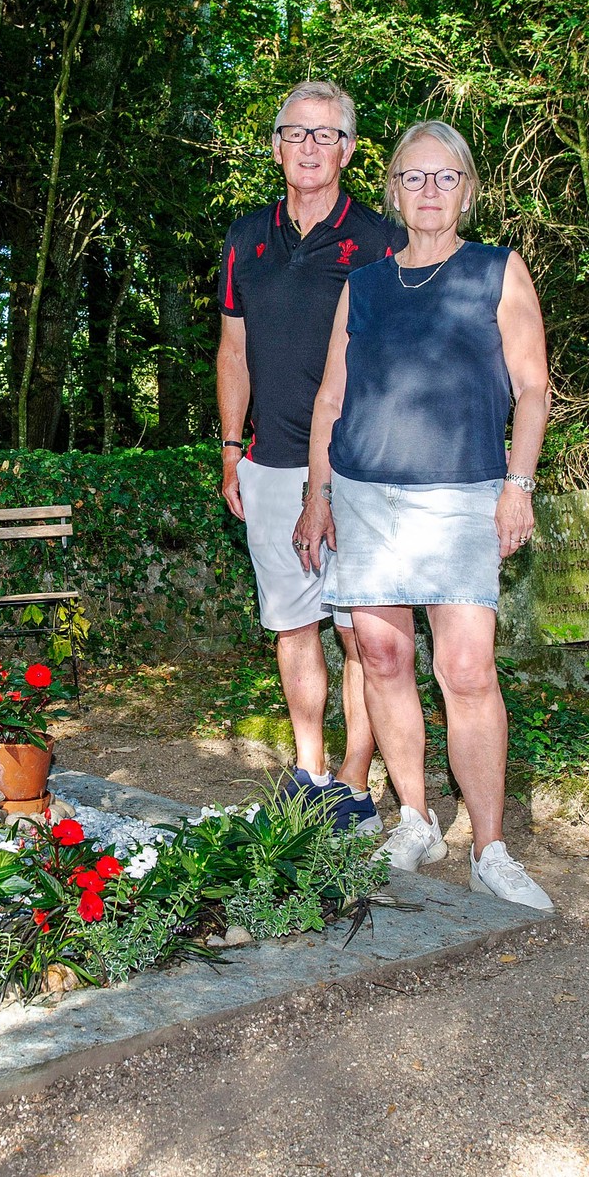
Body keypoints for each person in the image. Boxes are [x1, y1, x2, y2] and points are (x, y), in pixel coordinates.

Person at [291, 119, 554, 909]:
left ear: (466, 190)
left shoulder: (497, 272)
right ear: (394, 191)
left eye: (444, 178)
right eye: (413, 177)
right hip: (365, 496)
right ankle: (414, 817)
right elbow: (331, 397)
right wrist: (317, 493)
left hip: (463, 493)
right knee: (381, 659)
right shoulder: (362, 285)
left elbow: (534, 389)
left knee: (467, 669)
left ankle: (492, 847)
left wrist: (519, 484)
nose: (429, 191)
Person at [216, 80, 401, 833]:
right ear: (276, 146)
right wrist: (231, 449)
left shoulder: (383, 242)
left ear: (350, 150)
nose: (311, 147)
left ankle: (355, 783)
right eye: (298, 133)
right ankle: (309, 770)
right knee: (294, 627)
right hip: (269, 466)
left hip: (357, 469)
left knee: (361, 631)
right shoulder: (244, 240)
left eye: (327, 135)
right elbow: (232, 350)